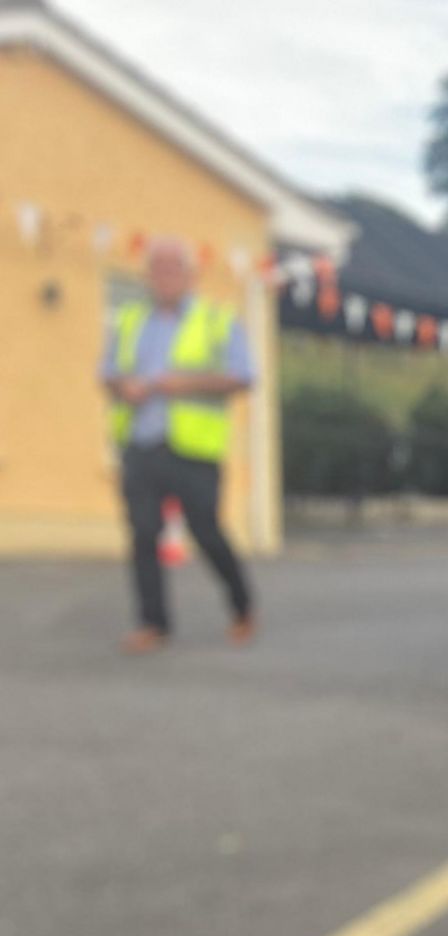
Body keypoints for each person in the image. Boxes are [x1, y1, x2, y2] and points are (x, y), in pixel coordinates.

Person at [101, 237, 257, 653]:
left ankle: (242, 606)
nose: (164, 276)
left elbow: (243, 376)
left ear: (190, 275)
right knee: (143, 534)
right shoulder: (130, 320)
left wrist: (181, 384)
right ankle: (153, 623)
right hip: (141, 441)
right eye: (157, 268)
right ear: (148, 276)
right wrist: (123, 386)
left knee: (205, 531)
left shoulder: (217, 320)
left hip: (193, 448)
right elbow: (108, 373)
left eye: (173, 268)